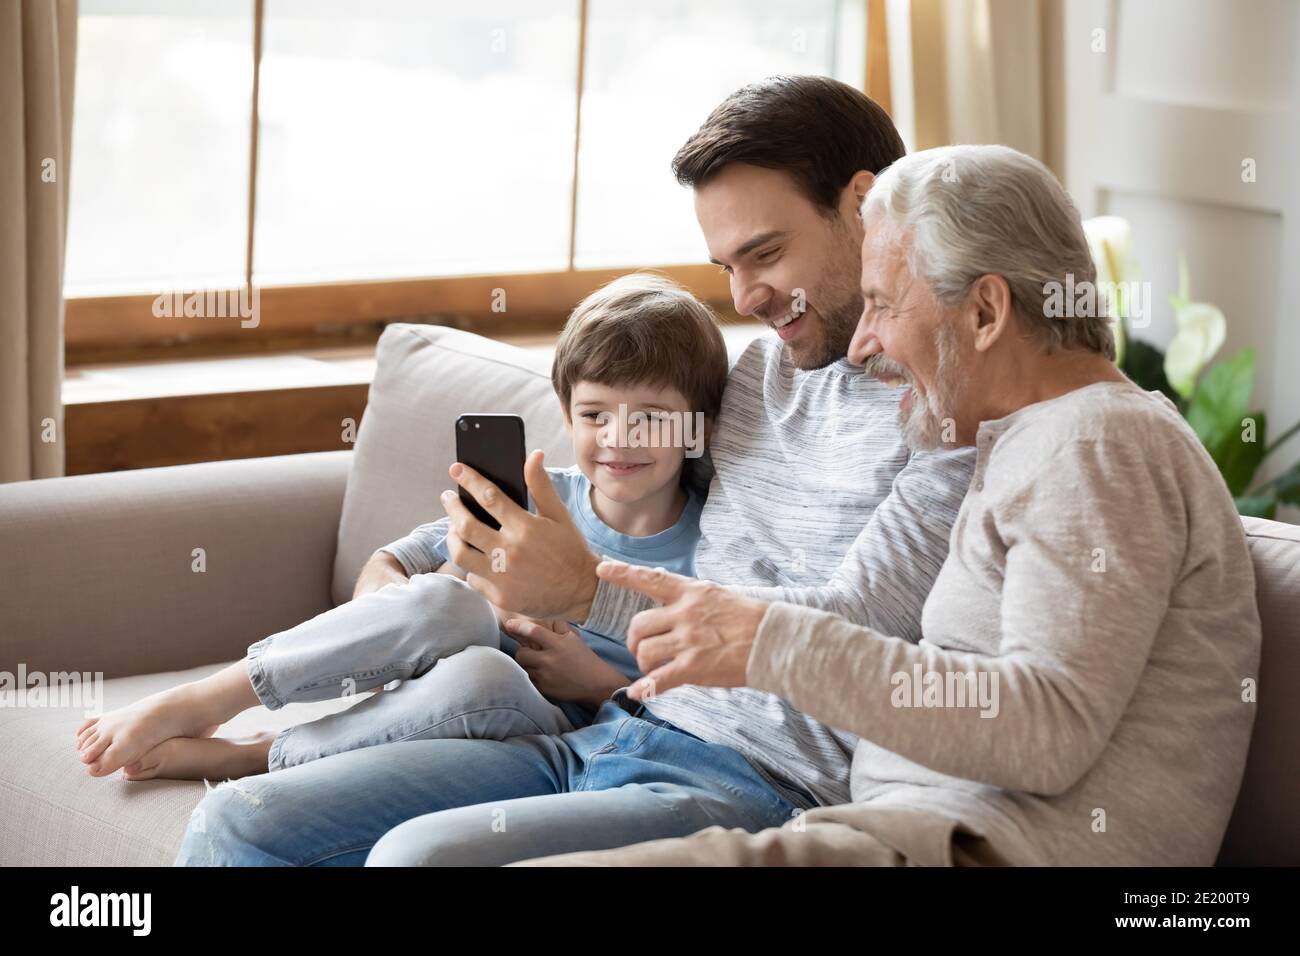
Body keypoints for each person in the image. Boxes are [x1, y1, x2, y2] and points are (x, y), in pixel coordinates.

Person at [174, 76, 976, 867]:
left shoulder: (946, 415)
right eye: (725, 266)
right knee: (237, 822)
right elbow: (627, 461)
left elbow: (857, 622)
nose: (745, 295)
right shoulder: (754, 383)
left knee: (416, 859)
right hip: (606, 733)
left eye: (763, 253)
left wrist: (587, 591)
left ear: (865, 206)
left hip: (755, 785)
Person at [519, 145, 1263, 868]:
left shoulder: (1100, 440)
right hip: (878, 832)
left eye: (881, 304)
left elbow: (1049, 727)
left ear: (985, 311)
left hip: (954, 848)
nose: (862, 344)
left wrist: (769, 640)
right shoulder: (1026, 442)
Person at [75, 273, 727, 781]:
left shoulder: (718, 544)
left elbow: (732, 707)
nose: (617, 439)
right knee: (451, 604)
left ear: (698, 425)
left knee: (487, 676)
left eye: (650, 418)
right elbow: (390, 564)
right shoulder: (536, 498)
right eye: (594, 415)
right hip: (441, 679)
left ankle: (258, 753)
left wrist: (596, 681)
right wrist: (406, 615)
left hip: (565, 725)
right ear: (566, 413)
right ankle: (207, 699)